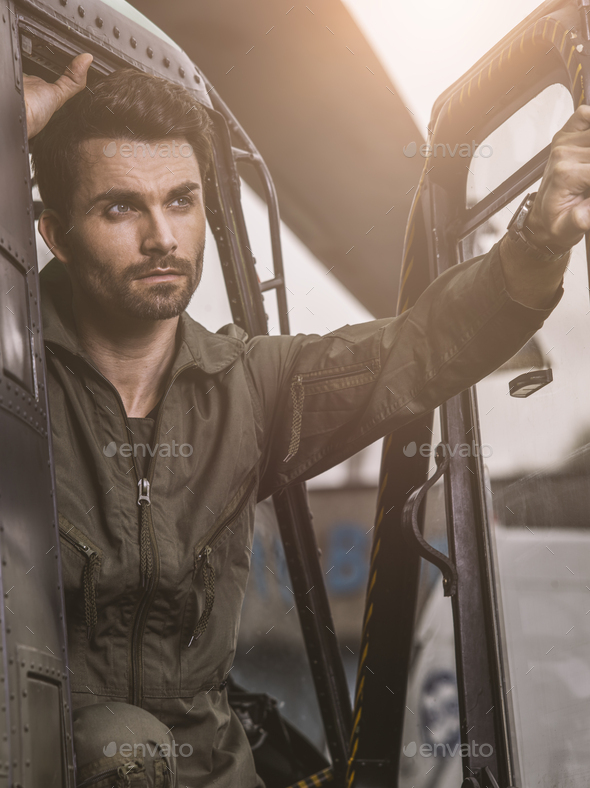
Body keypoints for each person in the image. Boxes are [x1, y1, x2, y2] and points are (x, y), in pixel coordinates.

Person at [24, 51, 584, 787]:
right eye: (122, 207)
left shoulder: (251, 385)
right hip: (49, 761)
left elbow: (417, 347)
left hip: (209, 769)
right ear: (56, 234)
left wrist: (541, 237)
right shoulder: (17, 375)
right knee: (116, 742)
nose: (162, 236)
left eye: (182, 200)